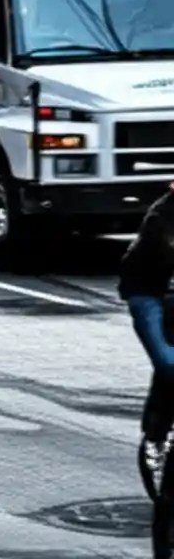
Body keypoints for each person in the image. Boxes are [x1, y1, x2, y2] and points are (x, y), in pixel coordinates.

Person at [119, 186, 174, 478]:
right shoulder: (161, 217)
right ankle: (156, 436)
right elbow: (166, 251)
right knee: (168, 363)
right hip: (148, 295)